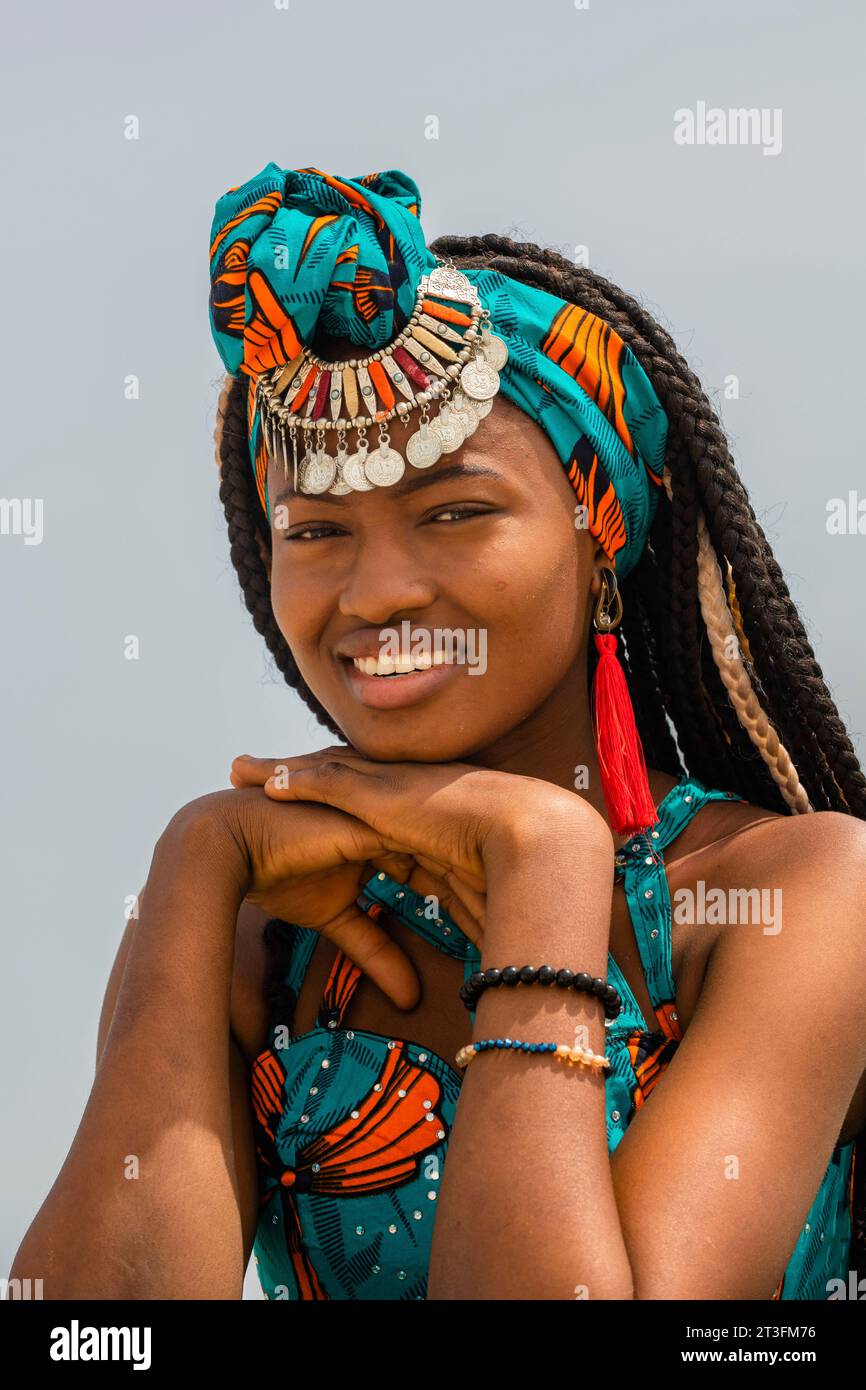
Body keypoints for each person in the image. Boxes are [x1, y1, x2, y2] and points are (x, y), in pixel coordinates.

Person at [10, 165, 866, 1302]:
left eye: (454, 512)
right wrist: (194, 859)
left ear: (597, 534)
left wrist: (547, 861)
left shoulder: (798, 894)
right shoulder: (259, 923)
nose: (376, 594)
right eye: (315, 529)